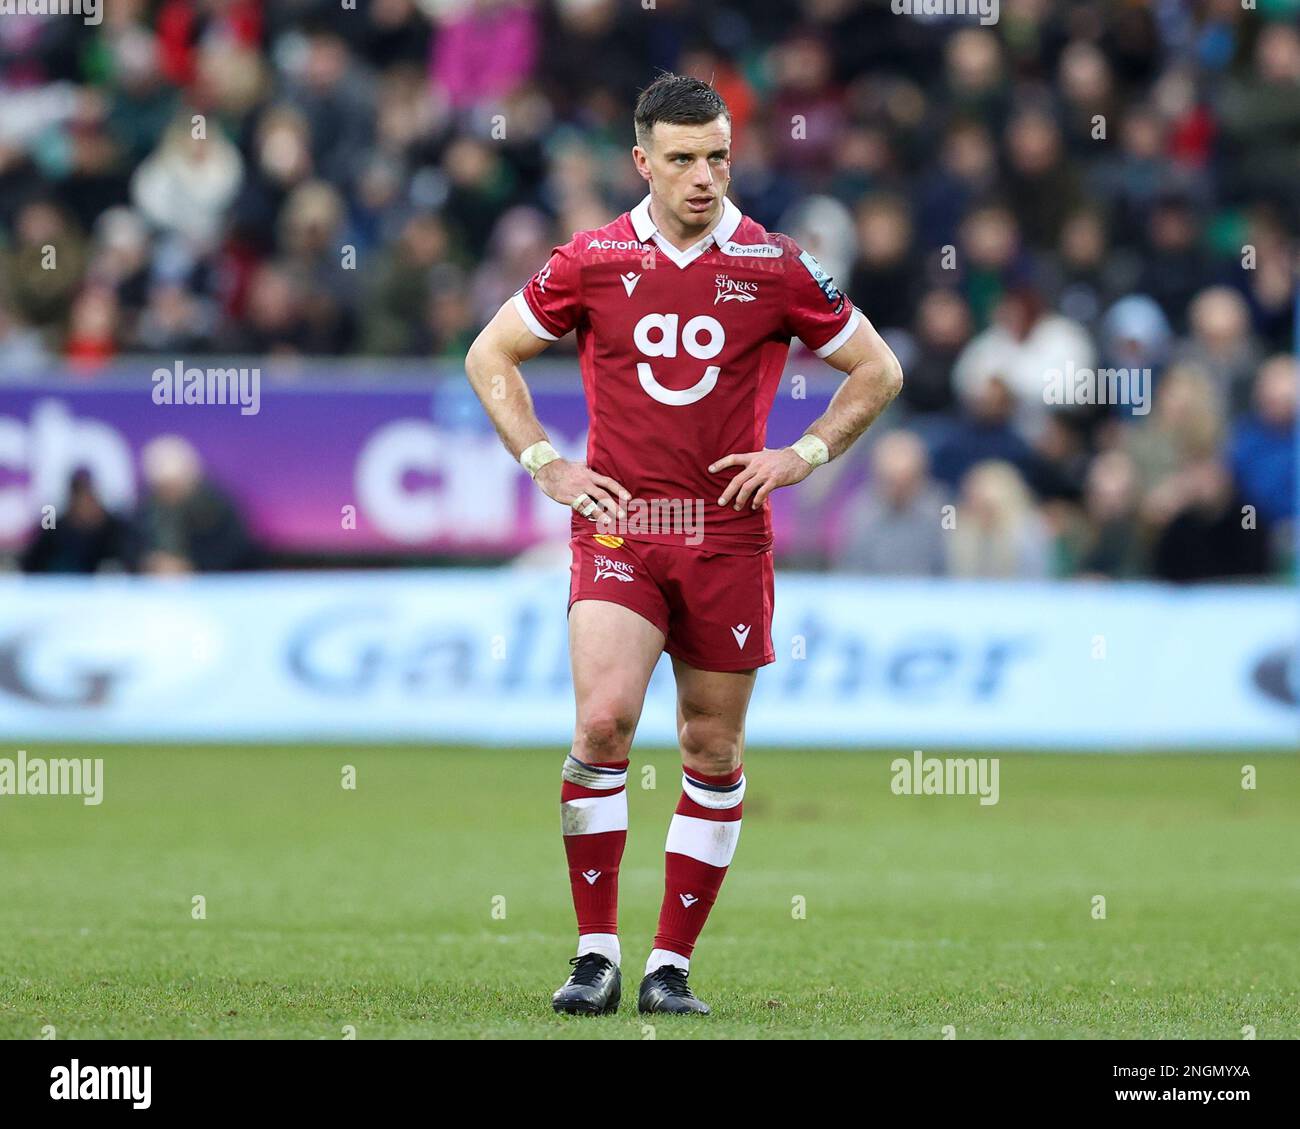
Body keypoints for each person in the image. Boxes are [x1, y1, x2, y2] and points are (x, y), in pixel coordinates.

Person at [464, 74, 902, 1017]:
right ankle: (593, 954)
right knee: (602, 724)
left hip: (727, 534)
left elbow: (880, 368)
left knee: (710, 743)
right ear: (642, 163)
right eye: (682, 160)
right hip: (623, 525)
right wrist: (547, 462)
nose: (703, 177)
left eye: (717, 158)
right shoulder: (588, 260)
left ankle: (668, 967)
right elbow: (488, 354)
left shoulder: (779, 265)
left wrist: (805, 452)